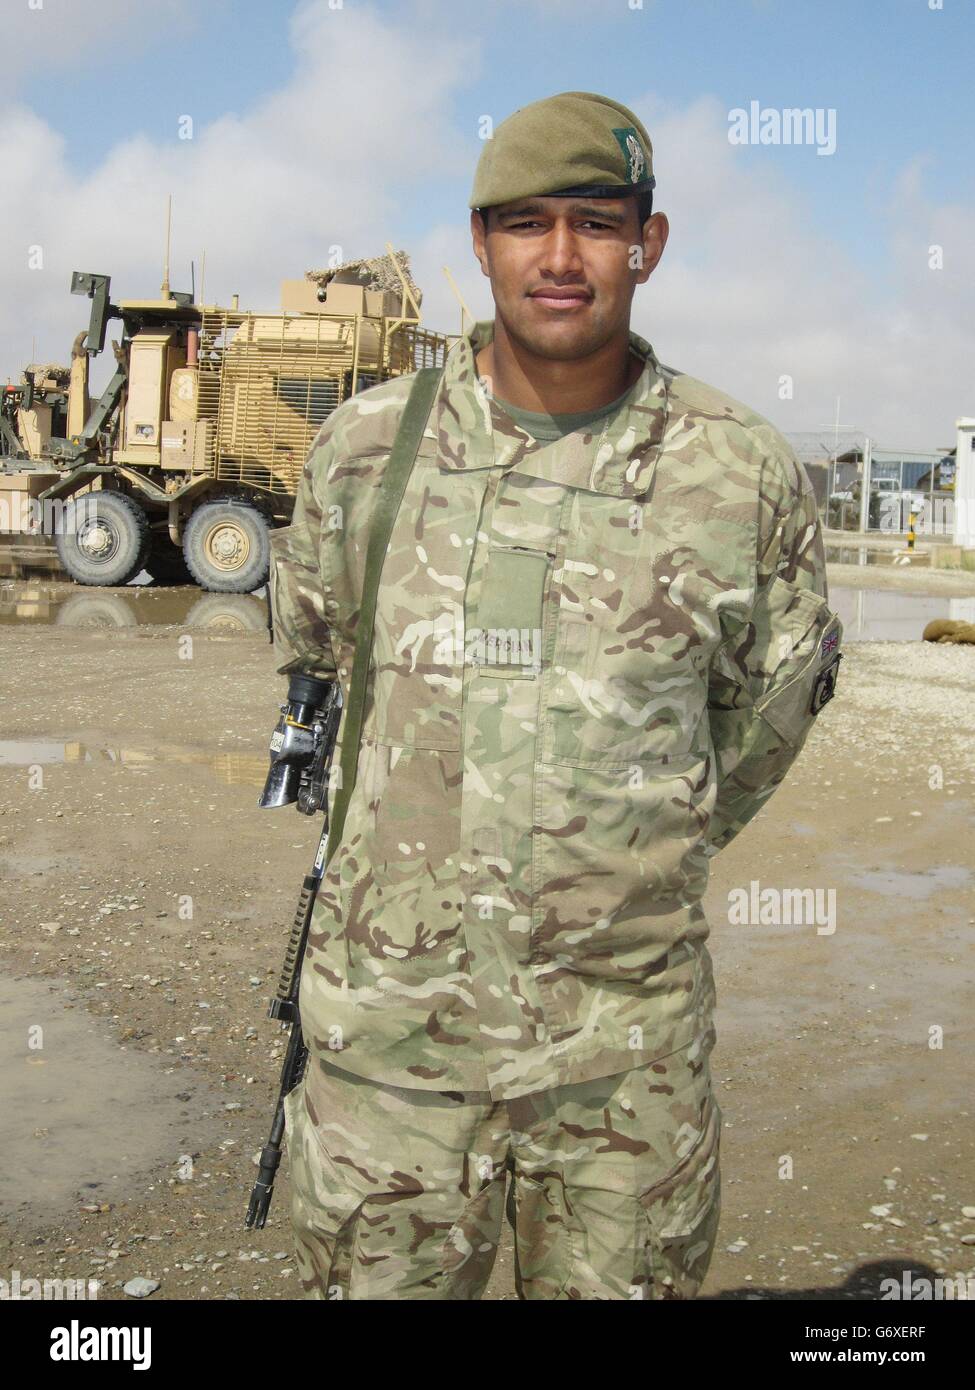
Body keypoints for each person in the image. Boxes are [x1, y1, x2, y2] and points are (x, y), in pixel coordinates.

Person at [268, 90, 844, 1300]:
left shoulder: (739, 474)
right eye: (527, 223)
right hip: (391, 1058)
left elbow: (761, 721)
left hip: (622, 1065)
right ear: (480, 245)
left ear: (649, 242)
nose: (562, 256)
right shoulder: (363, 455)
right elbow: (323, 658)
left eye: (597, 221)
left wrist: (624, 851)